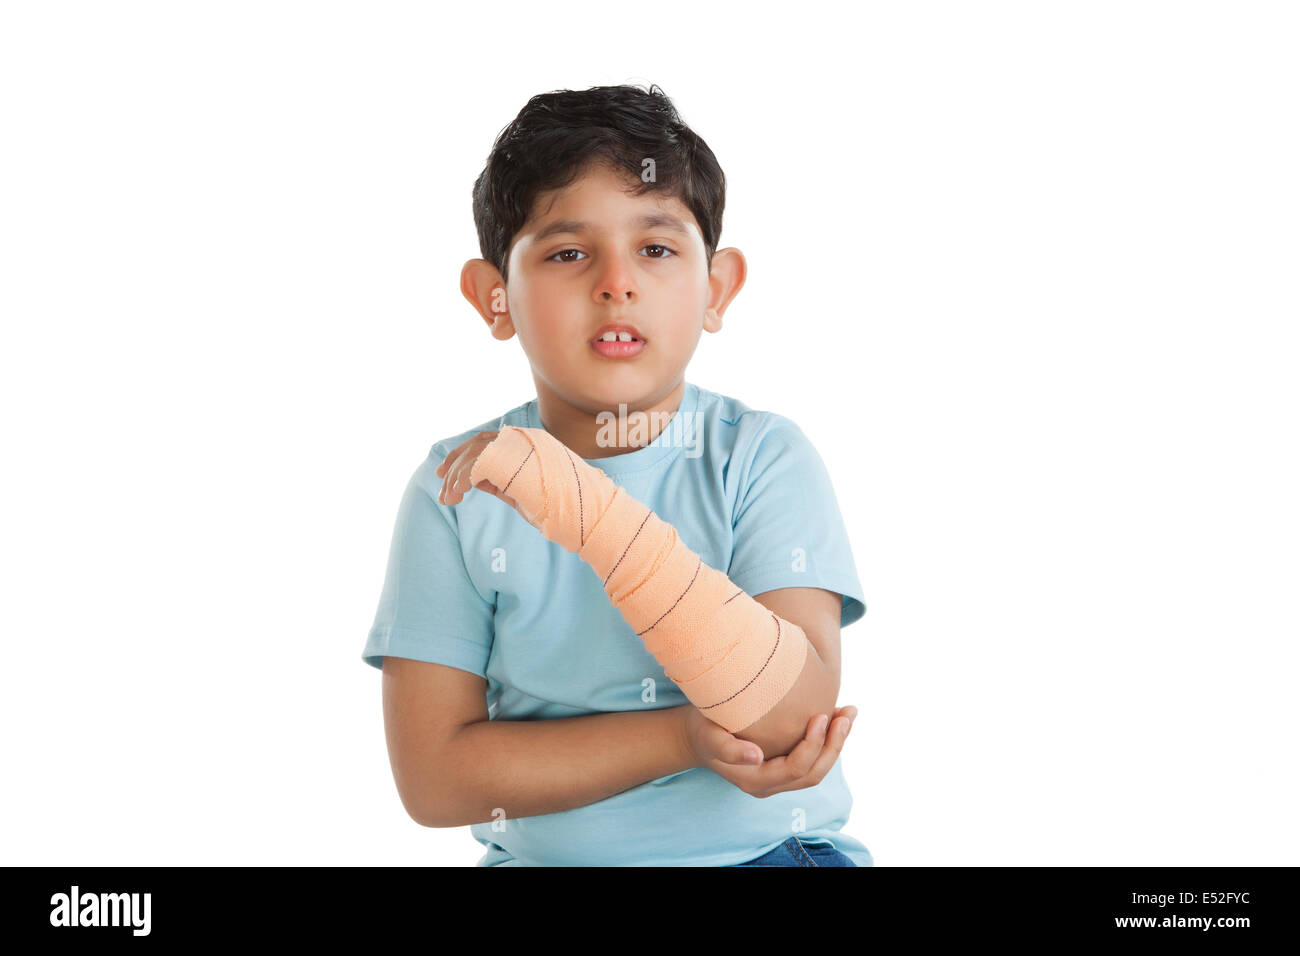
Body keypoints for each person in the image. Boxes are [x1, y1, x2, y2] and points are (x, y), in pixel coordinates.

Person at [362, 83, 872, 867]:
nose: (616, 282)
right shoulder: (458, 489)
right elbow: (434, 779)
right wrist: (681, 737)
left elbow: (788, 721)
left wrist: (578, 507)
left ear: (718, 287)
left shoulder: (762, 457)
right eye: (569, 253)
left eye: (657, 248)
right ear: (493, 298)